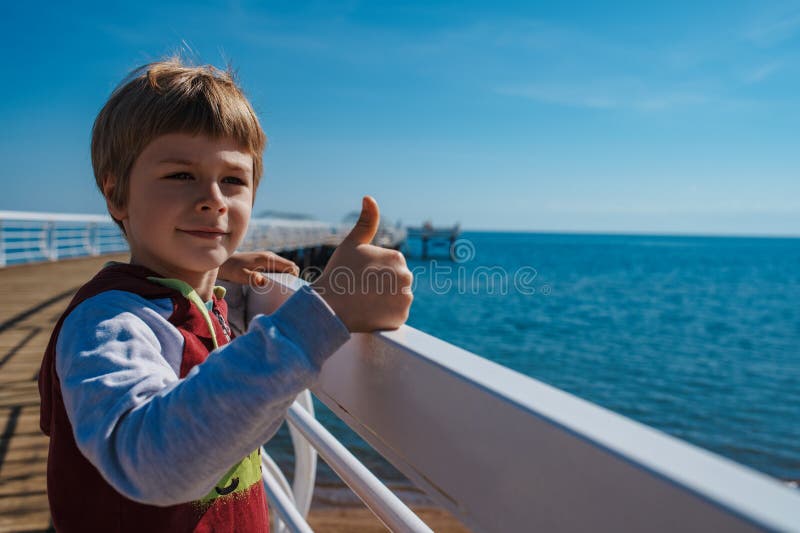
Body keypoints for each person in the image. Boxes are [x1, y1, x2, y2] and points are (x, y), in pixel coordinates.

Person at [37, 58, 413, 532]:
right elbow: (153, 462)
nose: (213, 197)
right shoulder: (107, 323)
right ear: (116, 195)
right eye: (180, 175)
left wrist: (218, 267)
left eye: (233, 180)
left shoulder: (204, 297)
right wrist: (326, 311)